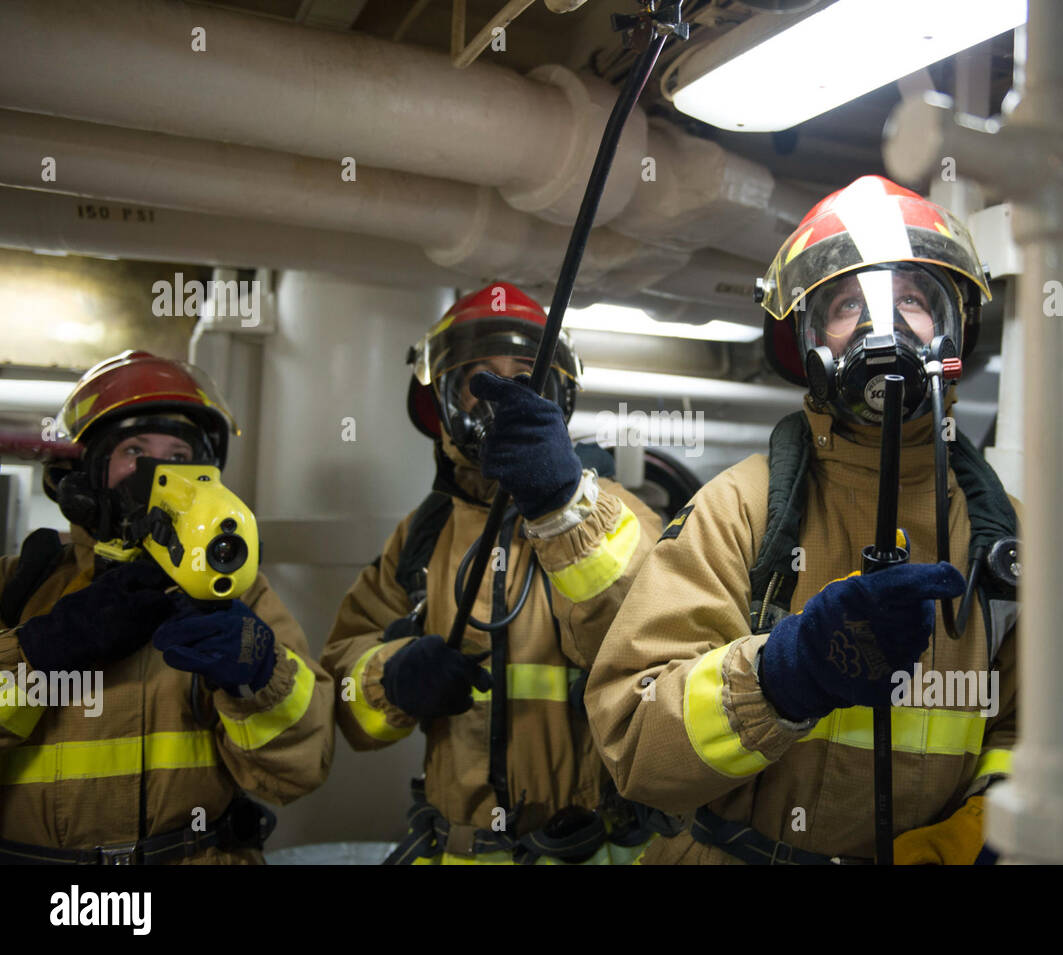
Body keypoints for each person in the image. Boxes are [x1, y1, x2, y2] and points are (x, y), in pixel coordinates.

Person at [586, 175, 1020, 864]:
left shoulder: (1007, 540)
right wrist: (786, 677)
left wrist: (974, 838)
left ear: (955, 331)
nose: (887, 325)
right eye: (850, 304)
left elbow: (1030, 734)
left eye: (912, 298)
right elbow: (635, 743)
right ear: (809, 344)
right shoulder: (742, 508)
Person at [321, 282, 665, 865]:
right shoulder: (421, 536)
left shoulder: (615, 515)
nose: (500, 400)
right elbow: (345, 699)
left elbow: (659, 651)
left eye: (525, 379)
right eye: (479, 381)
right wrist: (392, 677)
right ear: (447, 403)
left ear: (557, 398)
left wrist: (564, 508)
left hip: (588, 850)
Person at [0, 350, 334, 864]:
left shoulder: (237, 595)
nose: (158, 471)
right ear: (84, 471)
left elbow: (299, 772)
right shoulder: (19, 584)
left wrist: (258, 679)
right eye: (134, 449)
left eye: (179, 456)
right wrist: (40, 652)